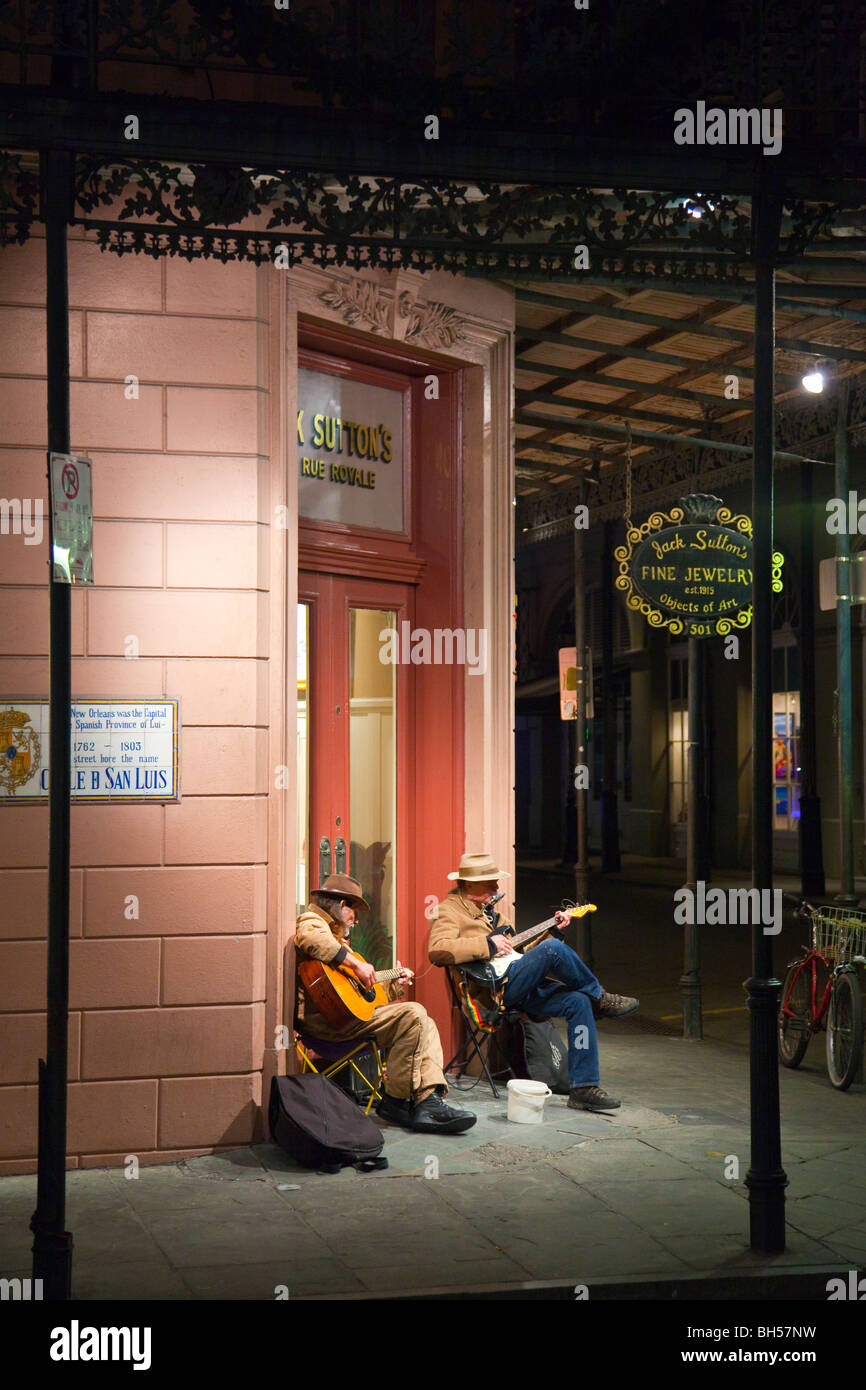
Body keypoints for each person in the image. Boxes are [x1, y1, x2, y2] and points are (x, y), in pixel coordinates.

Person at [427, 853, 639, 1112]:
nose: (496, 887)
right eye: (490, 882)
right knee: (552, 950)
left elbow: (522, 954)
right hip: (494, 993)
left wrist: (554, 930)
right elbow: (437, 950)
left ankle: (583, 1088)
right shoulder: (449, 910)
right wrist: (486, 944)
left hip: (518, 981)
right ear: (469, 884)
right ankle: (601, 998)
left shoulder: (493, 914)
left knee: (578, 1001)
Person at [295, 873, 476, 1134]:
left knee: (424, 1022)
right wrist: (356, 964)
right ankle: (397, 1100)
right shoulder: (312, 921)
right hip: (328, 1026)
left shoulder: (339, 942)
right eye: (353, 913)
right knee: (414, 1014)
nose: (355, 921)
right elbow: (311, 939)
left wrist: (394, 983)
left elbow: (361, 996)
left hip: (348, 1019)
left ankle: (429, 1100)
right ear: (342, 905)